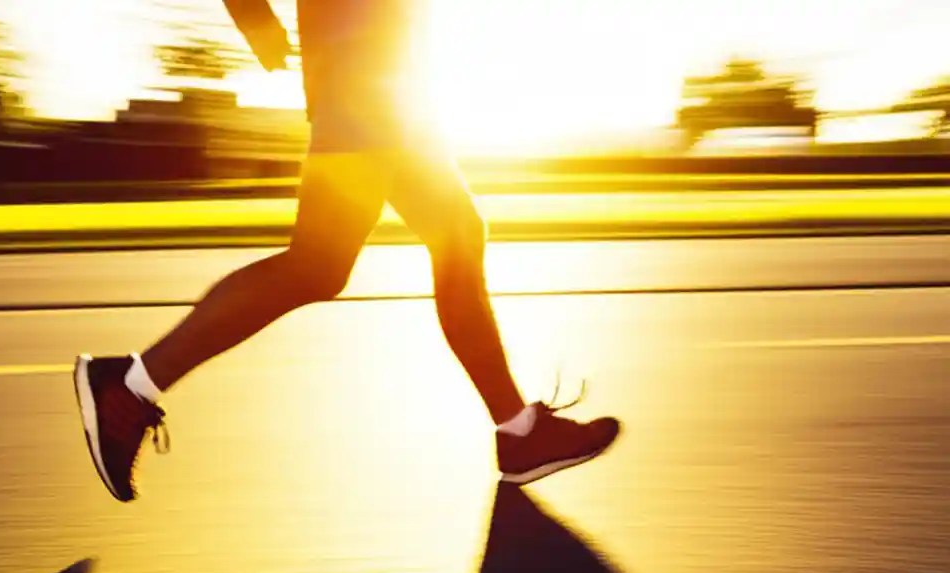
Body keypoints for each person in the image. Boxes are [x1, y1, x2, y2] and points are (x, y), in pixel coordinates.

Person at [74, 0, 619, 502]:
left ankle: (519, 432)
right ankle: (128, 388)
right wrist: (254, 16)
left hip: (382, 68)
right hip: (362, 69)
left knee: (445, 237)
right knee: (324, 263)